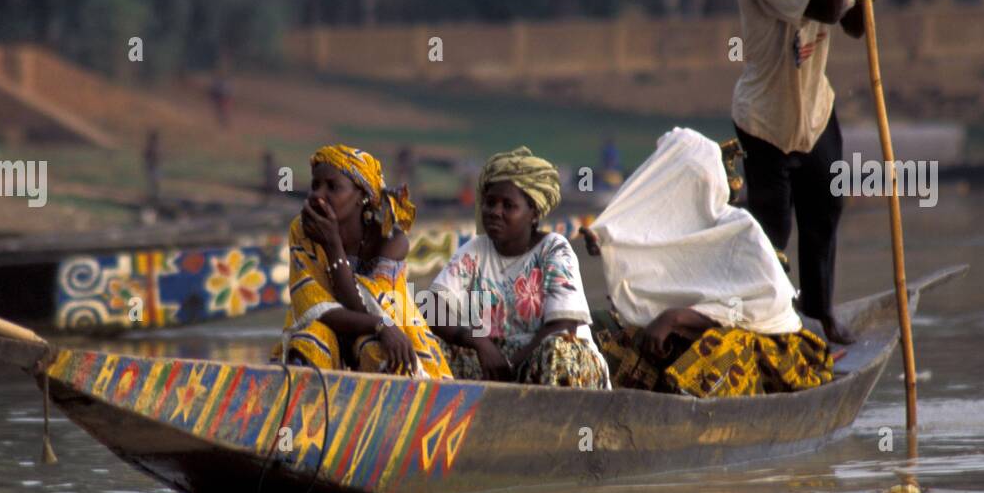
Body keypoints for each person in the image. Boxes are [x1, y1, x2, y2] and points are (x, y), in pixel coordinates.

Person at [731, 0, 882, 345]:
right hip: (765, 123)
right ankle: (771, 323)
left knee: (826, 211)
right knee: (772, 231)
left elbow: (851, 25)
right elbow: (823, 8)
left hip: (816, 114)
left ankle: (820, 313)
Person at [583, 128, 834, 397]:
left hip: (770, 347)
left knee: (720, 345)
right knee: (600, 331)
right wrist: (608, 246)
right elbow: (638, 257)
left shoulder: (741, 231)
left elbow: (765, 306)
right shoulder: (668, 231)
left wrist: (676, 317)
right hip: (685, 339)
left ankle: (695, 414)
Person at [428, 147, 610, 389]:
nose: (494, 212)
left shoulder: (554, 249)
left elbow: (562, 326)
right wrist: (480, 343)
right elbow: (432, 308)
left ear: (533, 213)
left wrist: (511, 365)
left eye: (508, 206)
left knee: (557, 350)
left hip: (552, 361)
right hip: (496, 357)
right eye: (490, 203)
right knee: (429, 345)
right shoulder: (475, 250)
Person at [274, 145, 451, 379]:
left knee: (376, 349)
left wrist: (332, 246)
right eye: (315, 185)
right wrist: (380, 325)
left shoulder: (391, 240)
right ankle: (305, 409)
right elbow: (312, 306)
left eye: (332, 187)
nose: (318, 195)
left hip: (383, 331)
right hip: (335, 326)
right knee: (309, 339)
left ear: (362, 197)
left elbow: (365, 306)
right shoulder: (302, 230)